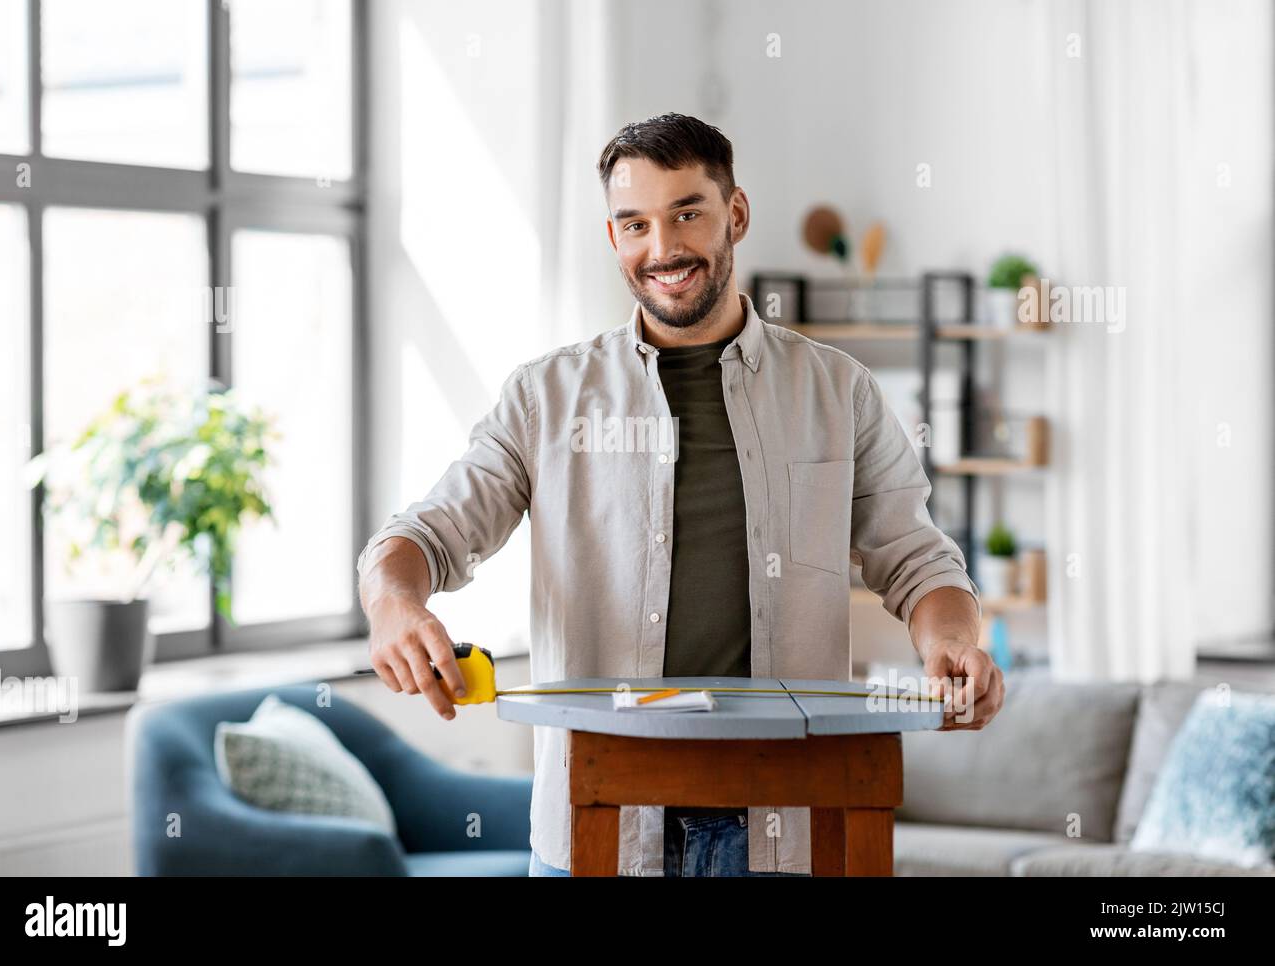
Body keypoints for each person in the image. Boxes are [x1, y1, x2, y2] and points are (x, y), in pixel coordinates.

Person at [357, 113, 1004, 877]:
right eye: (635, 224)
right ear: (612, 236)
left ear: (735, 215)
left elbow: (919, 561)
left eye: (686, 214)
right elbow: (423, 536)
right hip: (596, 829)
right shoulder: (545, 399)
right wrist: (395, 606)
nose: (661, 249)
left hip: (785, 834)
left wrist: (953, 643)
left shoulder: (839, 392)